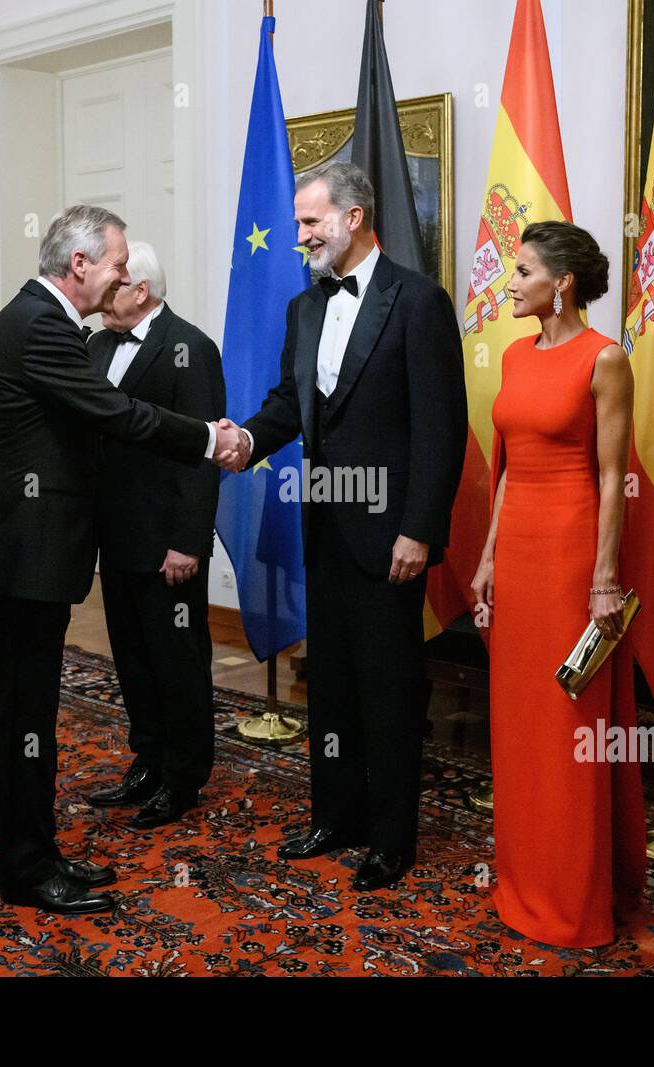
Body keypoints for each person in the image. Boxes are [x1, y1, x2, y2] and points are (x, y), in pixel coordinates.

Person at [0, 205, 245, 915]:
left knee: (33, 718)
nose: (125, 276)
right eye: (117, 263)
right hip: (22, 562)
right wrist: (210, 439)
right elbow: (119, 415)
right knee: (26, 722)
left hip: (28, 557)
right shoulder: (44, 327)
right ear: (80, 264)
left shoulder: (41, 321)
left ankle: (39, 849)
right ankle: (25, 867)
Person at [217, 161, 468, 891]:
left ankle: (391, 837)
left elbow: (440, 429)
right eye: (297, 223)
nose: (300, 236)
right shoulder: (304, 309)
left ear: (354, 217)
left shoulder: (419, 302)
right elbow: (288, 406)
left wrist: (419, 528)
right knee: (329, 684)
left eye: (310, 222)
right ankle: (335, 815)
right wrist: (246, 442)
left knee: (388, 689)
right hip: (322, 529)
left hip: (391, 536)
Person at [469, 221, 647, 946]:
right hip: (517, 556)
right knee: (519, 729)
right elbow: (508, 470)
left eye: (522, 271)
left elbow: (613, 478)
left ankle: (574, 900)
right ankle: (523, 882)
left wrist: (605, 581)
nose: (509, 283)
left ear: (562, 282)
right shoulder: (513, 356)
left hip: (574, 558)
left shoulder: (605, 358)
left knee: (569, 724)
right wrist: (486, 558)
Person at [85, 241, 225, 829]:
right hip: (114, 539)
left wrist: (189, 541)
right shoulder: (94, 345)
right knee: (133, 657)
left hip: (168, 541)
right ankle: (147, 760)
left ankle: (183, 776)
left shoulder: (191, 348)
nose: (98, 297)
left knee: (176, 662)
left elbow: (203, 452)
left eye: (112, 284)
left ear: (139, 290)